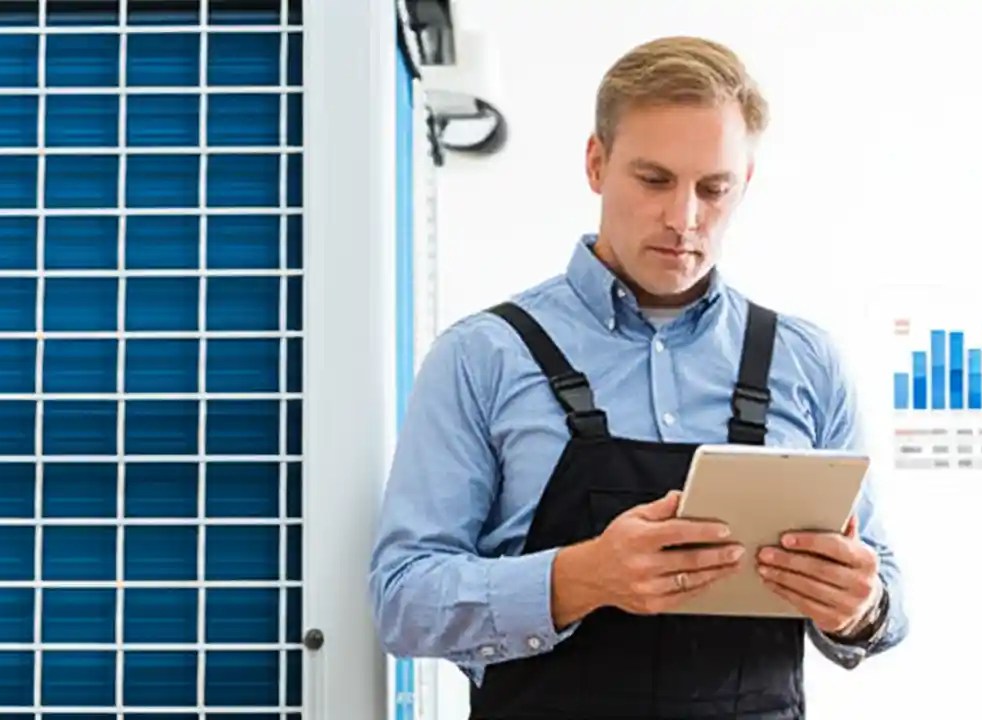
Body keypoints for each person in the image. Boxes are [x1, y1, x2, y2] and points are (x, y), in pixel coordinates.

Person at [368, 35, 908, 719]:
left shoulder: (809, 365)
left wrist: (862, 608)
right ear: (596, 163)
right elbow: (402, 600)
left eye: (713, 189)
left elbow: (888, 593)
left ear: (744, 185)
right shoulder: (483, 356)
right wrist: (579, 578)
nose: (684, 219)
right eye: (654, 180)